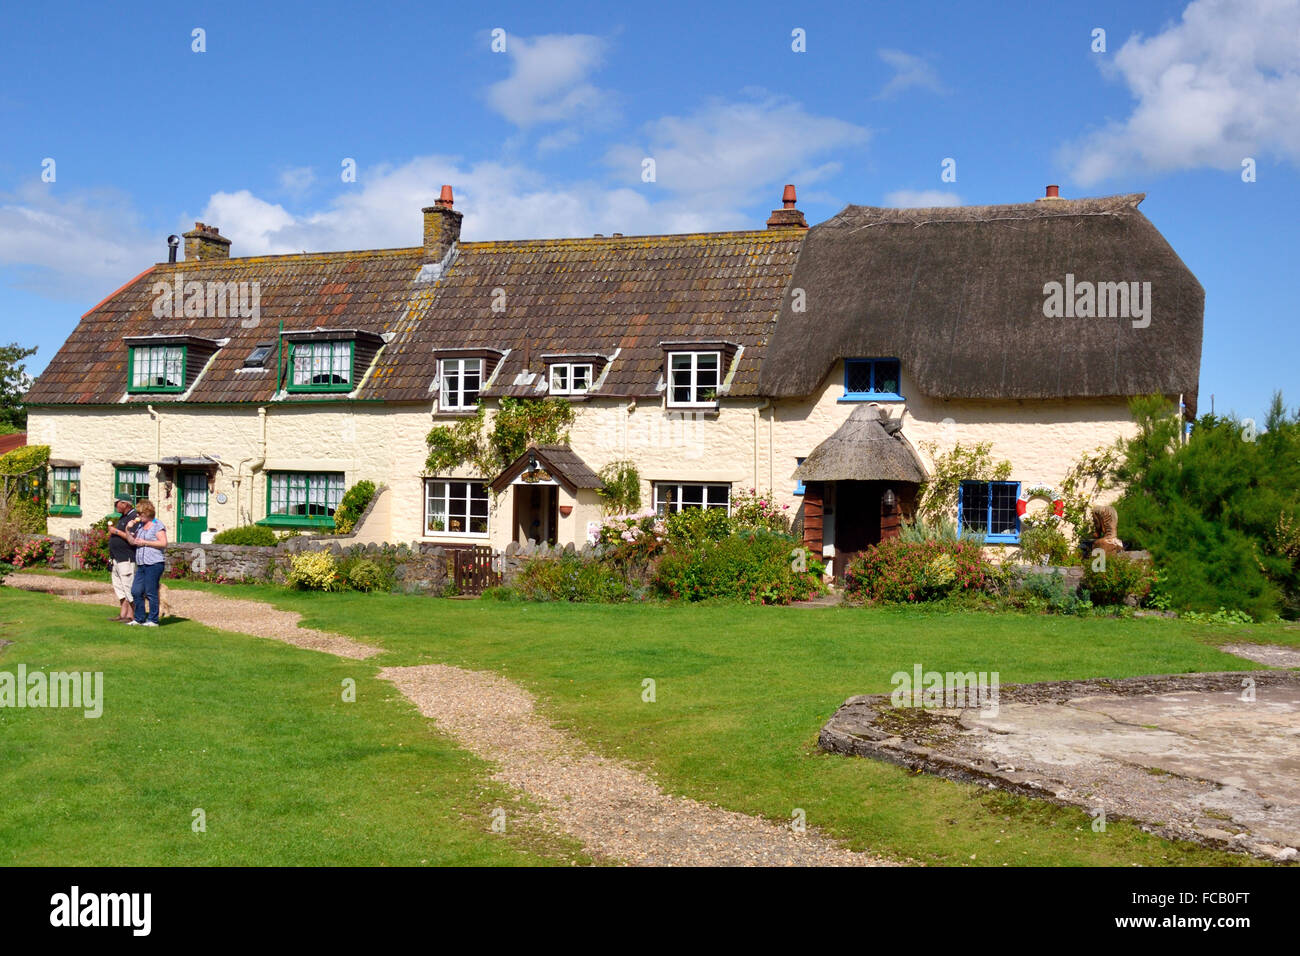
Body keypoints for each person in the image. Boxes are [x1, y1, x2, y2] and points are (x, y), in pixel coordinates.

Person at [110, 499, 168, 627]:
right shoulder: (141, 526)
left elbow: (163, 543)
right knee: (136, 591)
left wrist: (146, 542)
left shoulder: (157, 525)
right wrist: (127, 528)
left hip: (154, 563)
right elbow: (132, 541)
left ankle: (153, 620)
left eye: (141, 514)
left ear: (148, 513)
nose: (139, 516)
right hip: (141, 563)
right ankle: (139, 618)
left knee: (151, 591)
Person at [107, 496, 138, 622]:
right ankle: (123, 613)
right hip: (117, 558)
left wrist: (116, 532)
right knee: (119, 587)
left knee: (128, 586)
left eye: (117, 503)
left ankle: (132, 615)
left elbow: (133, 538)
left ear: (125, 504)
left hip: (127, 558)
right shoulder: (123, 517)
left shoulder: (134, 518)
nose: (115, 505)